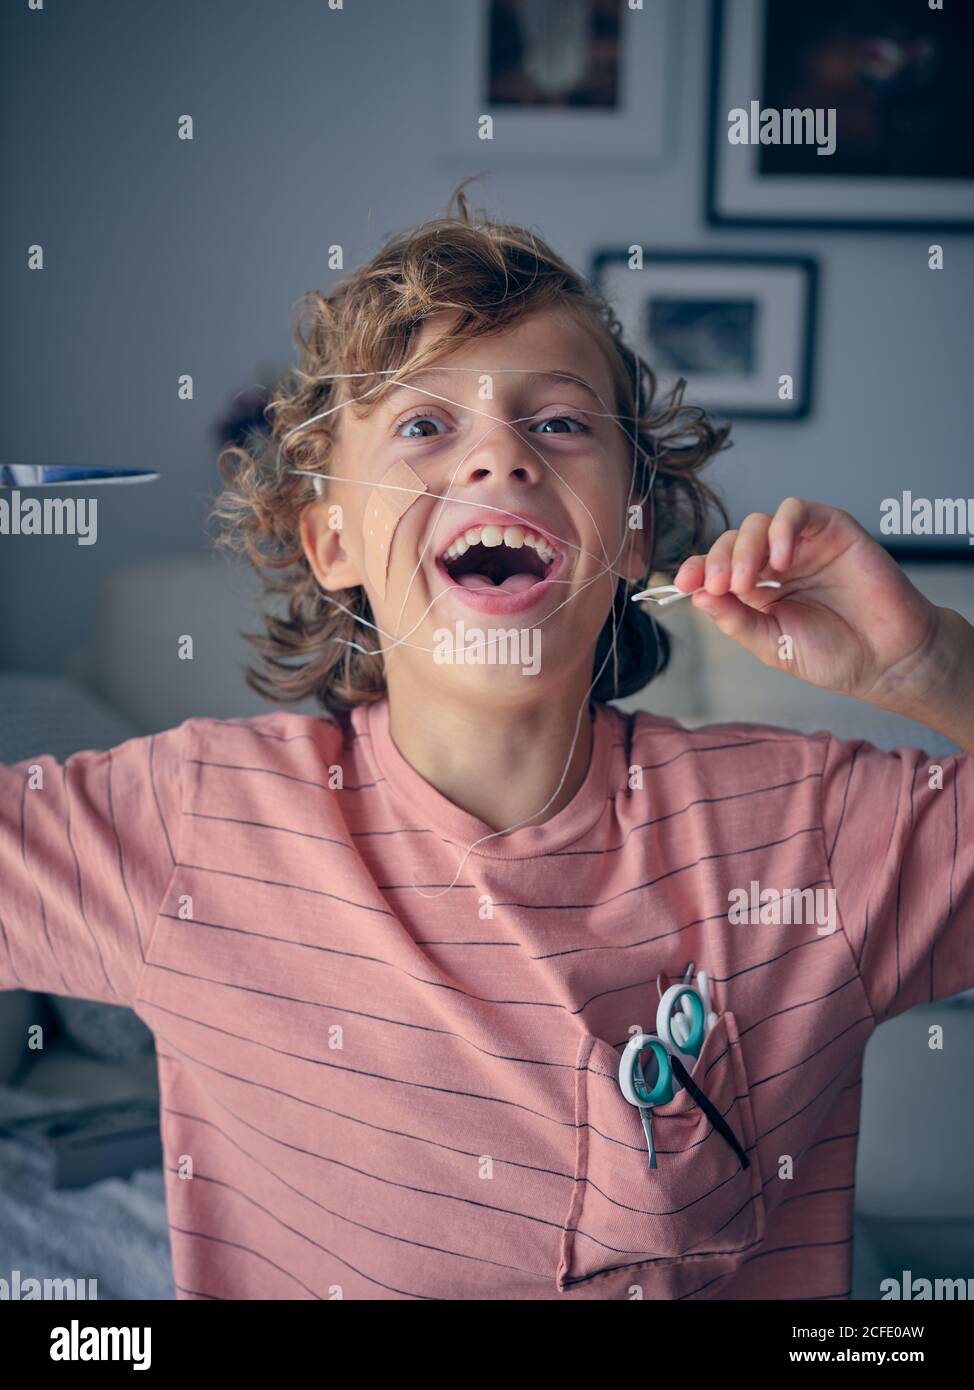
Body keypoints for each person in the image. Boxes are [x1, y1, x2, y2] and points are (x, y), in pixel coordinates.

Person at [2, 187, 971, 1300]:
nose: (499, 457)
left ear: (634, 531)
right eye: (423, 424)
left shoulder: (804, 831)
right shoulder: (191, 820)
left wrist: (929, 667)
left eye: (557, 421)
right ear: (329, 540)